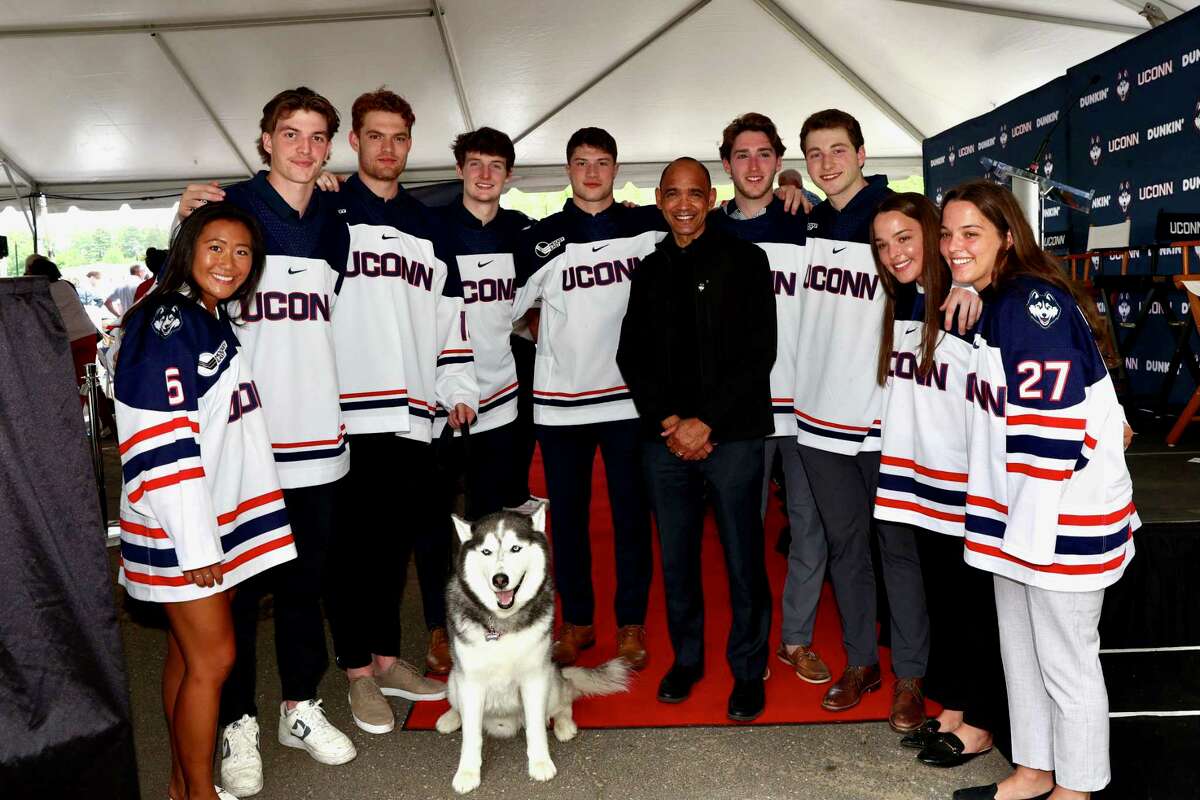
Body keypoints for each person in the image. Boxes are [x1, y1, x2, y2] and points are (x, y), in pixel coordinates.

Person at [176, 86, 356, 795]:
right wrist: (178, 216)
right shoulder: (227, 212)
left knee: (306, 585)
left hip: (319, 435)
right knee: (243, 596)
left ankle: (299, 706)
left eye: (317, 137)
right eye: (291, 134)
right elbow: (179, 296)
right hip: (244, 446)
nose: (305, 149)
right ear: (264, 140)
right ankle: (238, 720)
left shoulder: (336, 221)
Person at [944, 181, 1137, 800]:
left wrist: (1027, 529)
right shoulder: (1002, 297)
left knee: (1065, 660)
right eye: (946, 234)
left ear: (1008, 235)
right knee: (1022, 653)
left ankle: (1077, 791)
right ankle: (1033, 770)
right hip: (1019, 512)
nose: (952, 246)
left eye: (970, 233)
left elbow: (1054, 431)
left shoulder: (1030, 304)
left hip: (1058, 515)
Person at [793, 109, 976, 724]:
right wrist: (788, 189)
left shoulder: (895, 213)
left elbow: (947, 255)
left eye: (838, 150)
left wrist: (969, 284)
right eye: (814, 154)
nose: (827, 163)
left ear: (863, 153)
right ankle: (859, 661)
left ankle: (912, 675)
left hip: (883, 418)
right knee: (846, 548)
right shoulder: (808, 218)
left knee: (897, 550)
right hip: (818, 415)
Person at [115, 201, 297, 800]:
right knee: (216, 660)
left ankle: (178, 784)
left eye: (243, 251)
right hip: (182, 526)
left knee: (189, 653)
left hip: (208, 516)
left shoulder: (206, 315)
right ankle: (197, 793)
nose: (230, 261)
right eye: (215, 246)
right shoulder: (167, 321)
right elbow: (156, 438)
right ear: (187, 248)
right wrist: (195, 541)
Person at [323, 87, 473, 733]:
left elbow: (450, 316)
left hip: (413, 415)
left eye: (399, 137)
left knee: (393, 549)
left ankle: (387, 658)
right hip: (344, 415)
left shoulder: (430, 223)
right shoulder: (325, 213)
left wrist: (459, 387)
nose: (388, 148)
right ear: (354, 141)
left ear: (411, 144)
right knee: (348, 551)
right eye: (376, 135)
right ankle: (356, 672)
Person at [618, 156, 776, 721]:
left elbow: (760, 353)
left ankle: (748, 667)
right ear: (660, 199)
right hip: (664, 441)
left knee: (743, 559)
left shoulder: (747, 259)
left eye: (694, 193)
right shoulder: (650, 268)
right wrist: (670, 423)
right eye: (673, 194)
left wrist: (704, 423)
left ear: (711, 198)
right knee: (678, 558)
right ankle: (687, 660)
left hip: (731, 437)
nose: (683, 204)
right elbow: (631, 355)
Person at [512, 127, 666, 671]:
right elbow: (508, 311)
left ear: (616, 168)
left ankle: (630, 623)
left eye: (602, 162)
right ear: (568, 170)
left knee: (630, 516)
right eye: (582, 163)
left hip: (629, 401)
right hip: (560, 404)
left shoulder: (647, 227)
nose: (593, 172)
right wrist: (550, 341)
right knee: (569, 520)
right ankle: (576, 621)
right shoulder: (543, 238)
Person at [869, 193, 1007, 756]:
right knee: (943, 603)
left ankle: (980, 720)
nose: (894, 253)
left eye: (905, 238)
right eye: (882, 244)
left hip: (964, 482)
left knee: (974, 605)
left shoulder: (973, 303)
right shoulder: (907, 299)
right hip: (919, 480)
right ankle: (952, 705)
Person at [707, 113, 829, 686]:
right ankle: (750, 639)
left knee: (810, 526)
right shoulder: (708, 233)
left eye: (763, 155)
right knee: (742, 530)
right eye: (741, 155)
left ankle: (796, 638)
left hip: (805, 407)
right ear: (726, 164)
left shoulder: (808, 222)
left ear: (780, 162)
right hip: (741, 413)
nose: (753, 165)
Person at [435, 126, 540, 518]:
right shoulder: (430, 227)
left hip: (499, 394)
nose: (484, 175)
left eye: (495, 166)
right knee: (432, 517)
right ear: (460, 169)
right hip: (439, 394)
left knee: (488, 513)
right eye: (475, 164)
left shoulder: (521, 230)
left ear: (508, 175)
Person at [24, 256, 99, 396]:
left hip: (66, 340)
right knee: (88, 380)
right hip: (88, 334)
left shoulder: (41, 292)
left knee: (73, 384)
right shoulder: (66, 284)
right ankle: (104, 416)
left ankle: (76, 415)